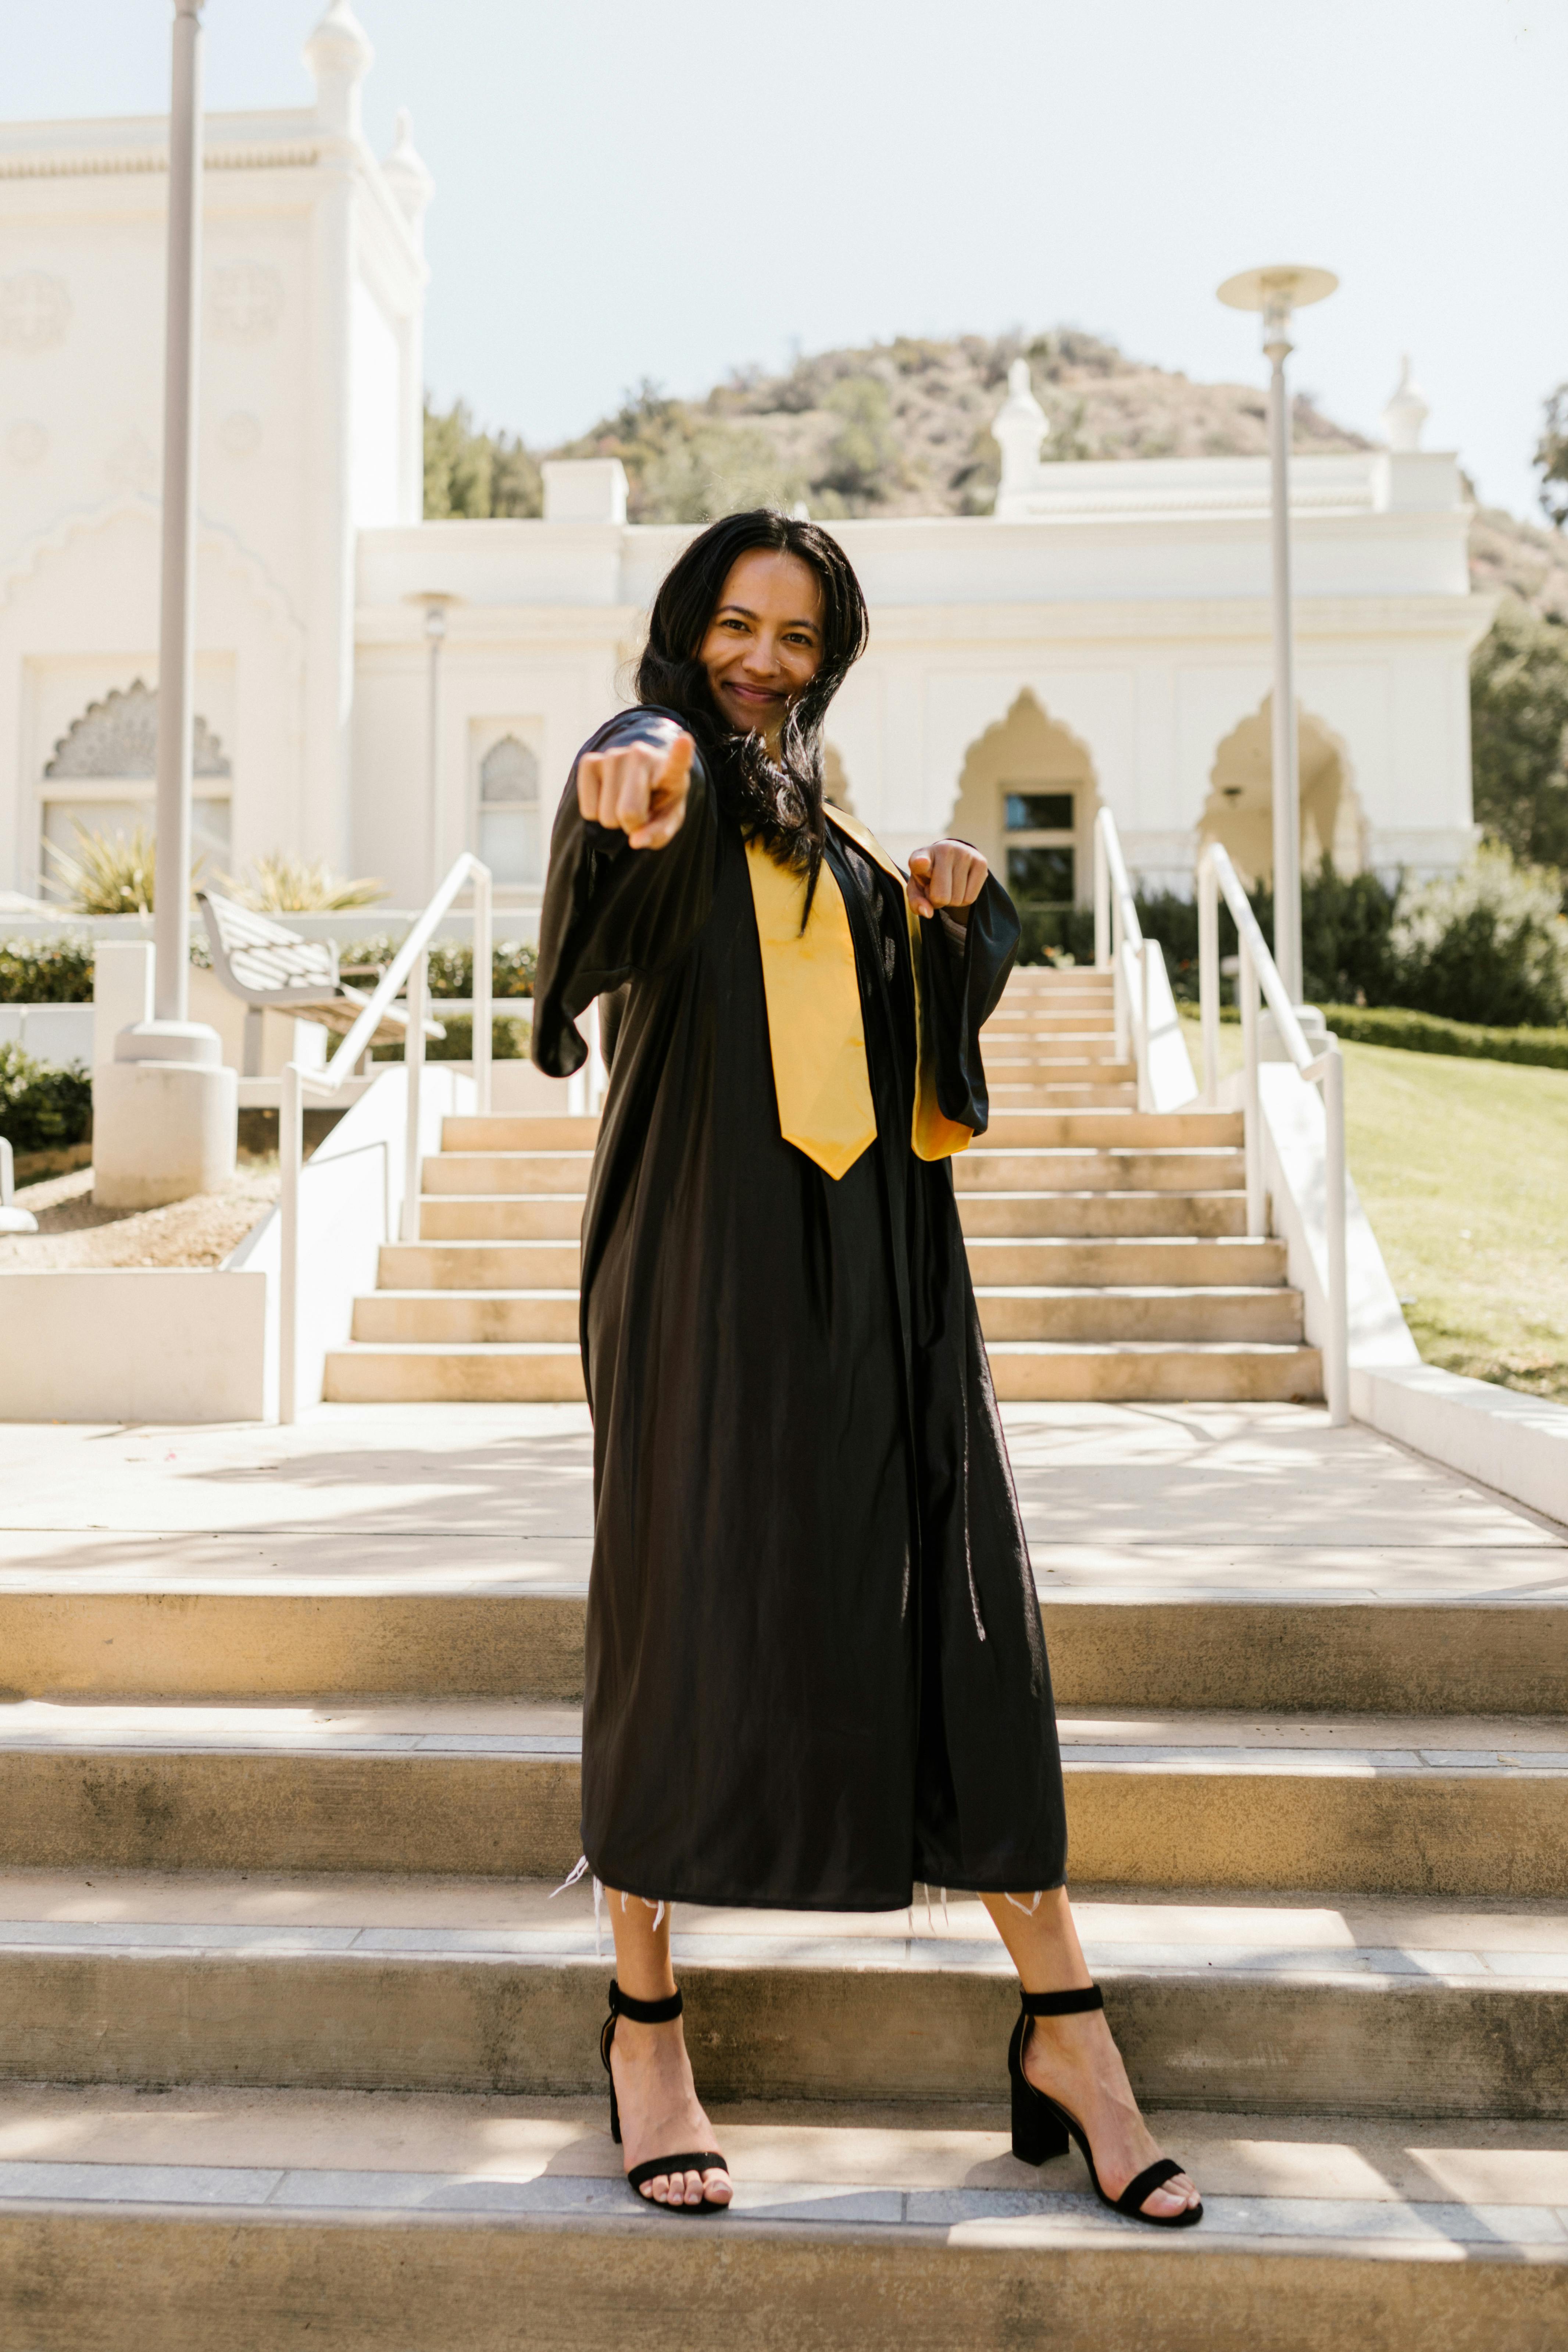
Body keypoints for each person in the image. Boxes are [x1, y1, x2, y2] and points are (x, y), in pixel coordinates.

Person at [531, 510, 1201, 2228]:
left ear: (830, 658)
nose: (765, 658)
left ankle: (1068, 2032)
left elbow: (910, 1051)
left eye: (799, 636)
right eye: (737, 627)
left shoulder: (828, 838)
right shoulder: (666, 770)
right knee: (682, 1596)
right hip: (699, 1259)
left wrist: (948, 917)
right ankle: (643, 2020)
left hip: (883, 1272)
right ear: (689, 635)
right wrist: (628, 761)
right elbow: (629, 798)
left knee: (958, 1612)